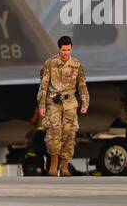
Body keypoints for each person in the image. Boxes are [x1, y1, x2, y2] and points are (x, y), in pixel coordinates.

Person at [38, 35, 89, 177]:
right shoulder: (50, 63)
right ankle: (53, 165)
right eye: (63, 50)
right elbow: (44, 85)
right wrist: (42, 104)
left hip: (70, 103)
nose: (66, 53)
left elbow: (82, 85)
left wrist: (85, 103)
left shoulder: (77, 65)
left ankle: (65, 167)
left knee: (69, 134)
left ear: (71, 48)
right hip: (53, 102)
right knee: (53, 134)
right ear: (59, 49)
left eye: (68, 50)